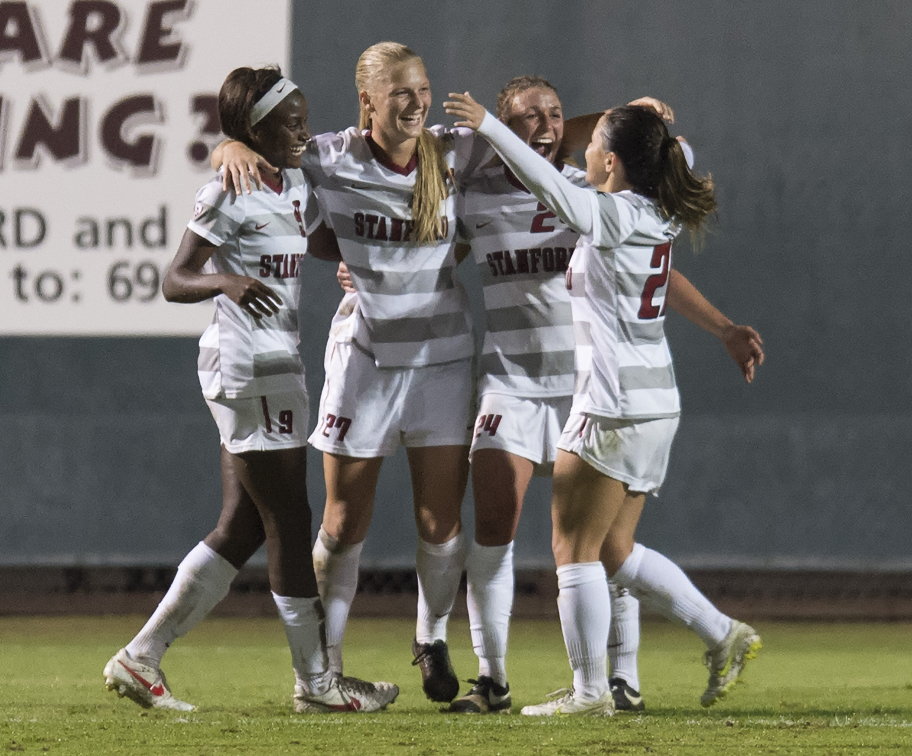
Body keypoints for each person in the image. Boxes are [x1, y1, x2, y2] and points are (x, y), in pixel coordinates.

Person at [445, 92, 763, 716]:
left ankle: (591, 691)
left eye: (592, 148)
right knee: (613, 553)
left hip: (611, 406)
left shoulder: (612, 215)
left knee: (571, 551)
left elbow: (553, 187)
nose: (580, 152)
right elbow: (665, 151)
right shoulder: (657, 208)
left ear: (613, 165)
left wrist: (488, 126)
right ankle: (723, 633)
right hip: (654, 404)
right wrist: (634, 115)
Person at [103, 66, 398, 714]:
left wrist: (355, 258)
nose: (303, 130)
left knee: (243, 526)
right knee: (290, 518)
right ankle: (316, 684)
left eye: (303, 116)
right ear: (256, 128)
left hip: (274, 363)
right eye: (289, 121)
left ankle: (141, 656)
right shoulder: (228, 187)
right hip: (247, 365)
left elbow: (312, 239)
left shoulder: (290, 181)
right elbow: (175, 278)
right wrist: (226, 282)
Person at [213, 42, 495, 703]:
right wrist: (226, 146)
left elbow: (546, 137)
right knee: (342, 524)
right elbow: (273, 177)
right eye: (401, 92)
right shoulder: (329, 157)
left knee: (441, 524)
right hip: (364, 359)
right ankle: (325, 670)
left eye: (422, 88)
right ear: (367, 100)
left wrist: (631, 116)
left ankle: (431, 639)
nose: (418, 102)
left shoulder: (452, 150)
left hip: (442, 358)